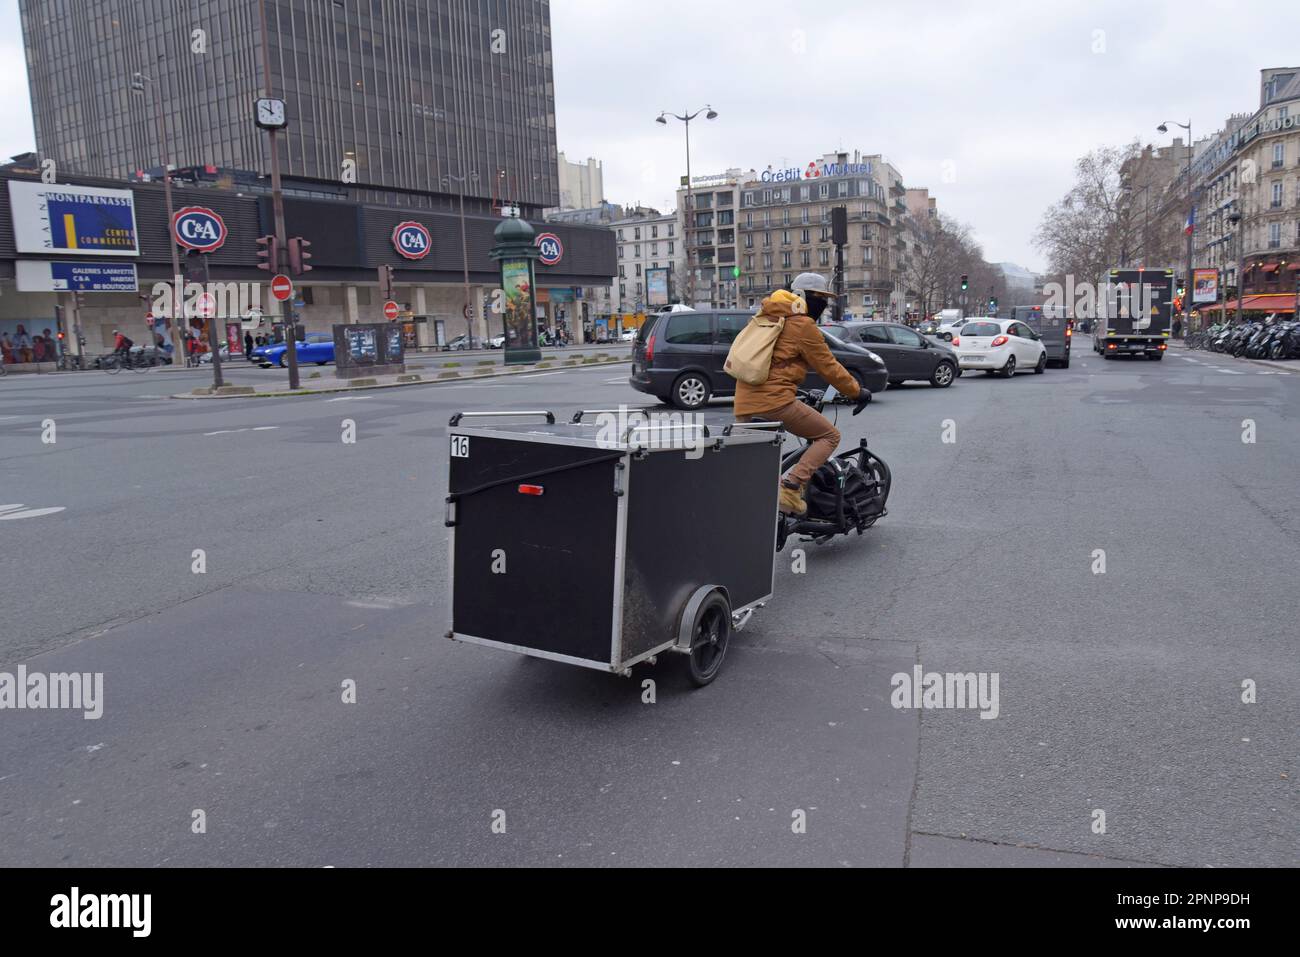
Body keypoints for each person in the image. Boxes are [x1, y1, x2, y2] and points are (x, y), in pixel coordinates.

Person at [734, 273, 865, 516]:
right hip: (773, 401)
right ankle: (792, 488)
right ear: (802, 297)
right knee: (829, 436)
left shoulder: (766, 316)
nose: (823, 305)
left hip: (744, 402)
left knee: (763, 462)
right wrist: (856, 391)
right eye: (820, 299)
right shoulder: (801, 324)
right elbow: (829, 366)